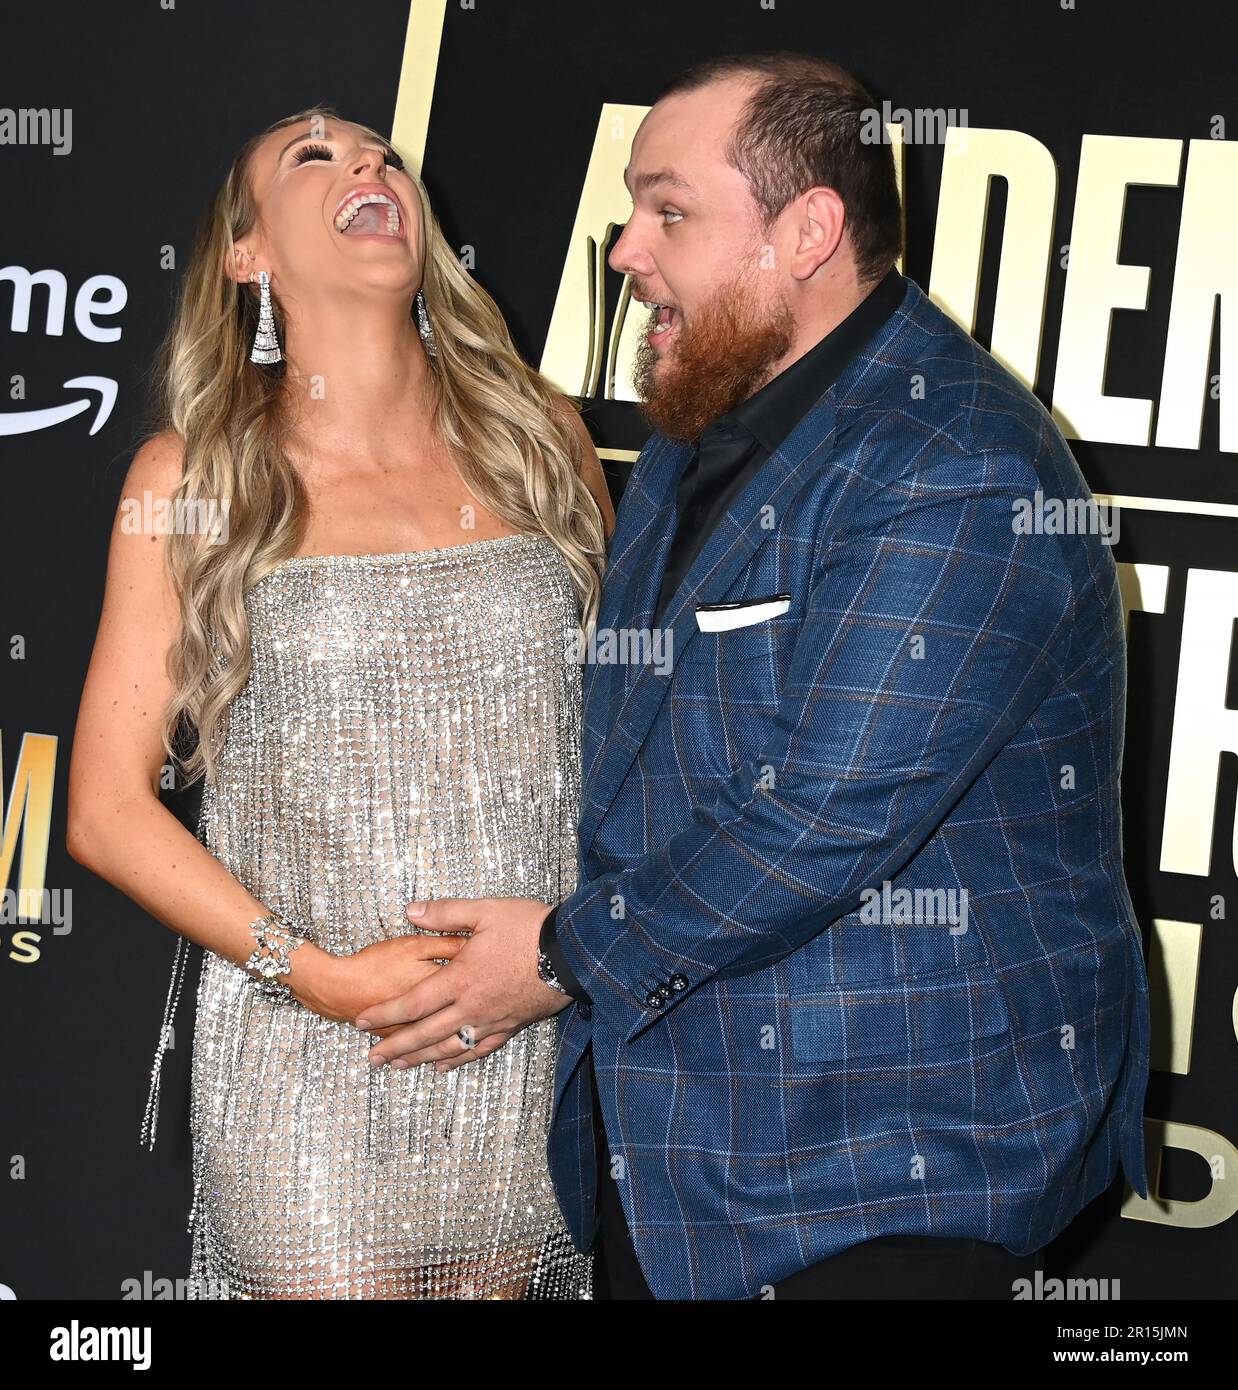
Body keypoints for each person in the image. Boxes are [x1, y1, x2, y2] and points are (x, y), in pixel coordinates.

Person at [354, 52, 1151, 1300]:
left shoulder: (955, 461)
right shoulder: (702, 421)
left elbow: (822, 819)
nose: (625, 249)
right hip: (681, 1171)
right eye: (632, 210)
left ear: (807, 231)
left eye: (669, 211)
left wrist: (557, 957)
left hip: (886, 1177)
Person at [66, 107, 614, 1300]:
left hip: (521, 1038)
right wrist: (315, 973)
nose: (364, 163)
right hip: (311, 1057)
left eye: (380, 154)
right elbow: (104, 809)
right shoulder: (194, 477)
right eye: (312, 157)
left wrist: (569, 957)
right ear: (245, 253)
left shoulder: (542, 437)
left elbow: (629, 743)